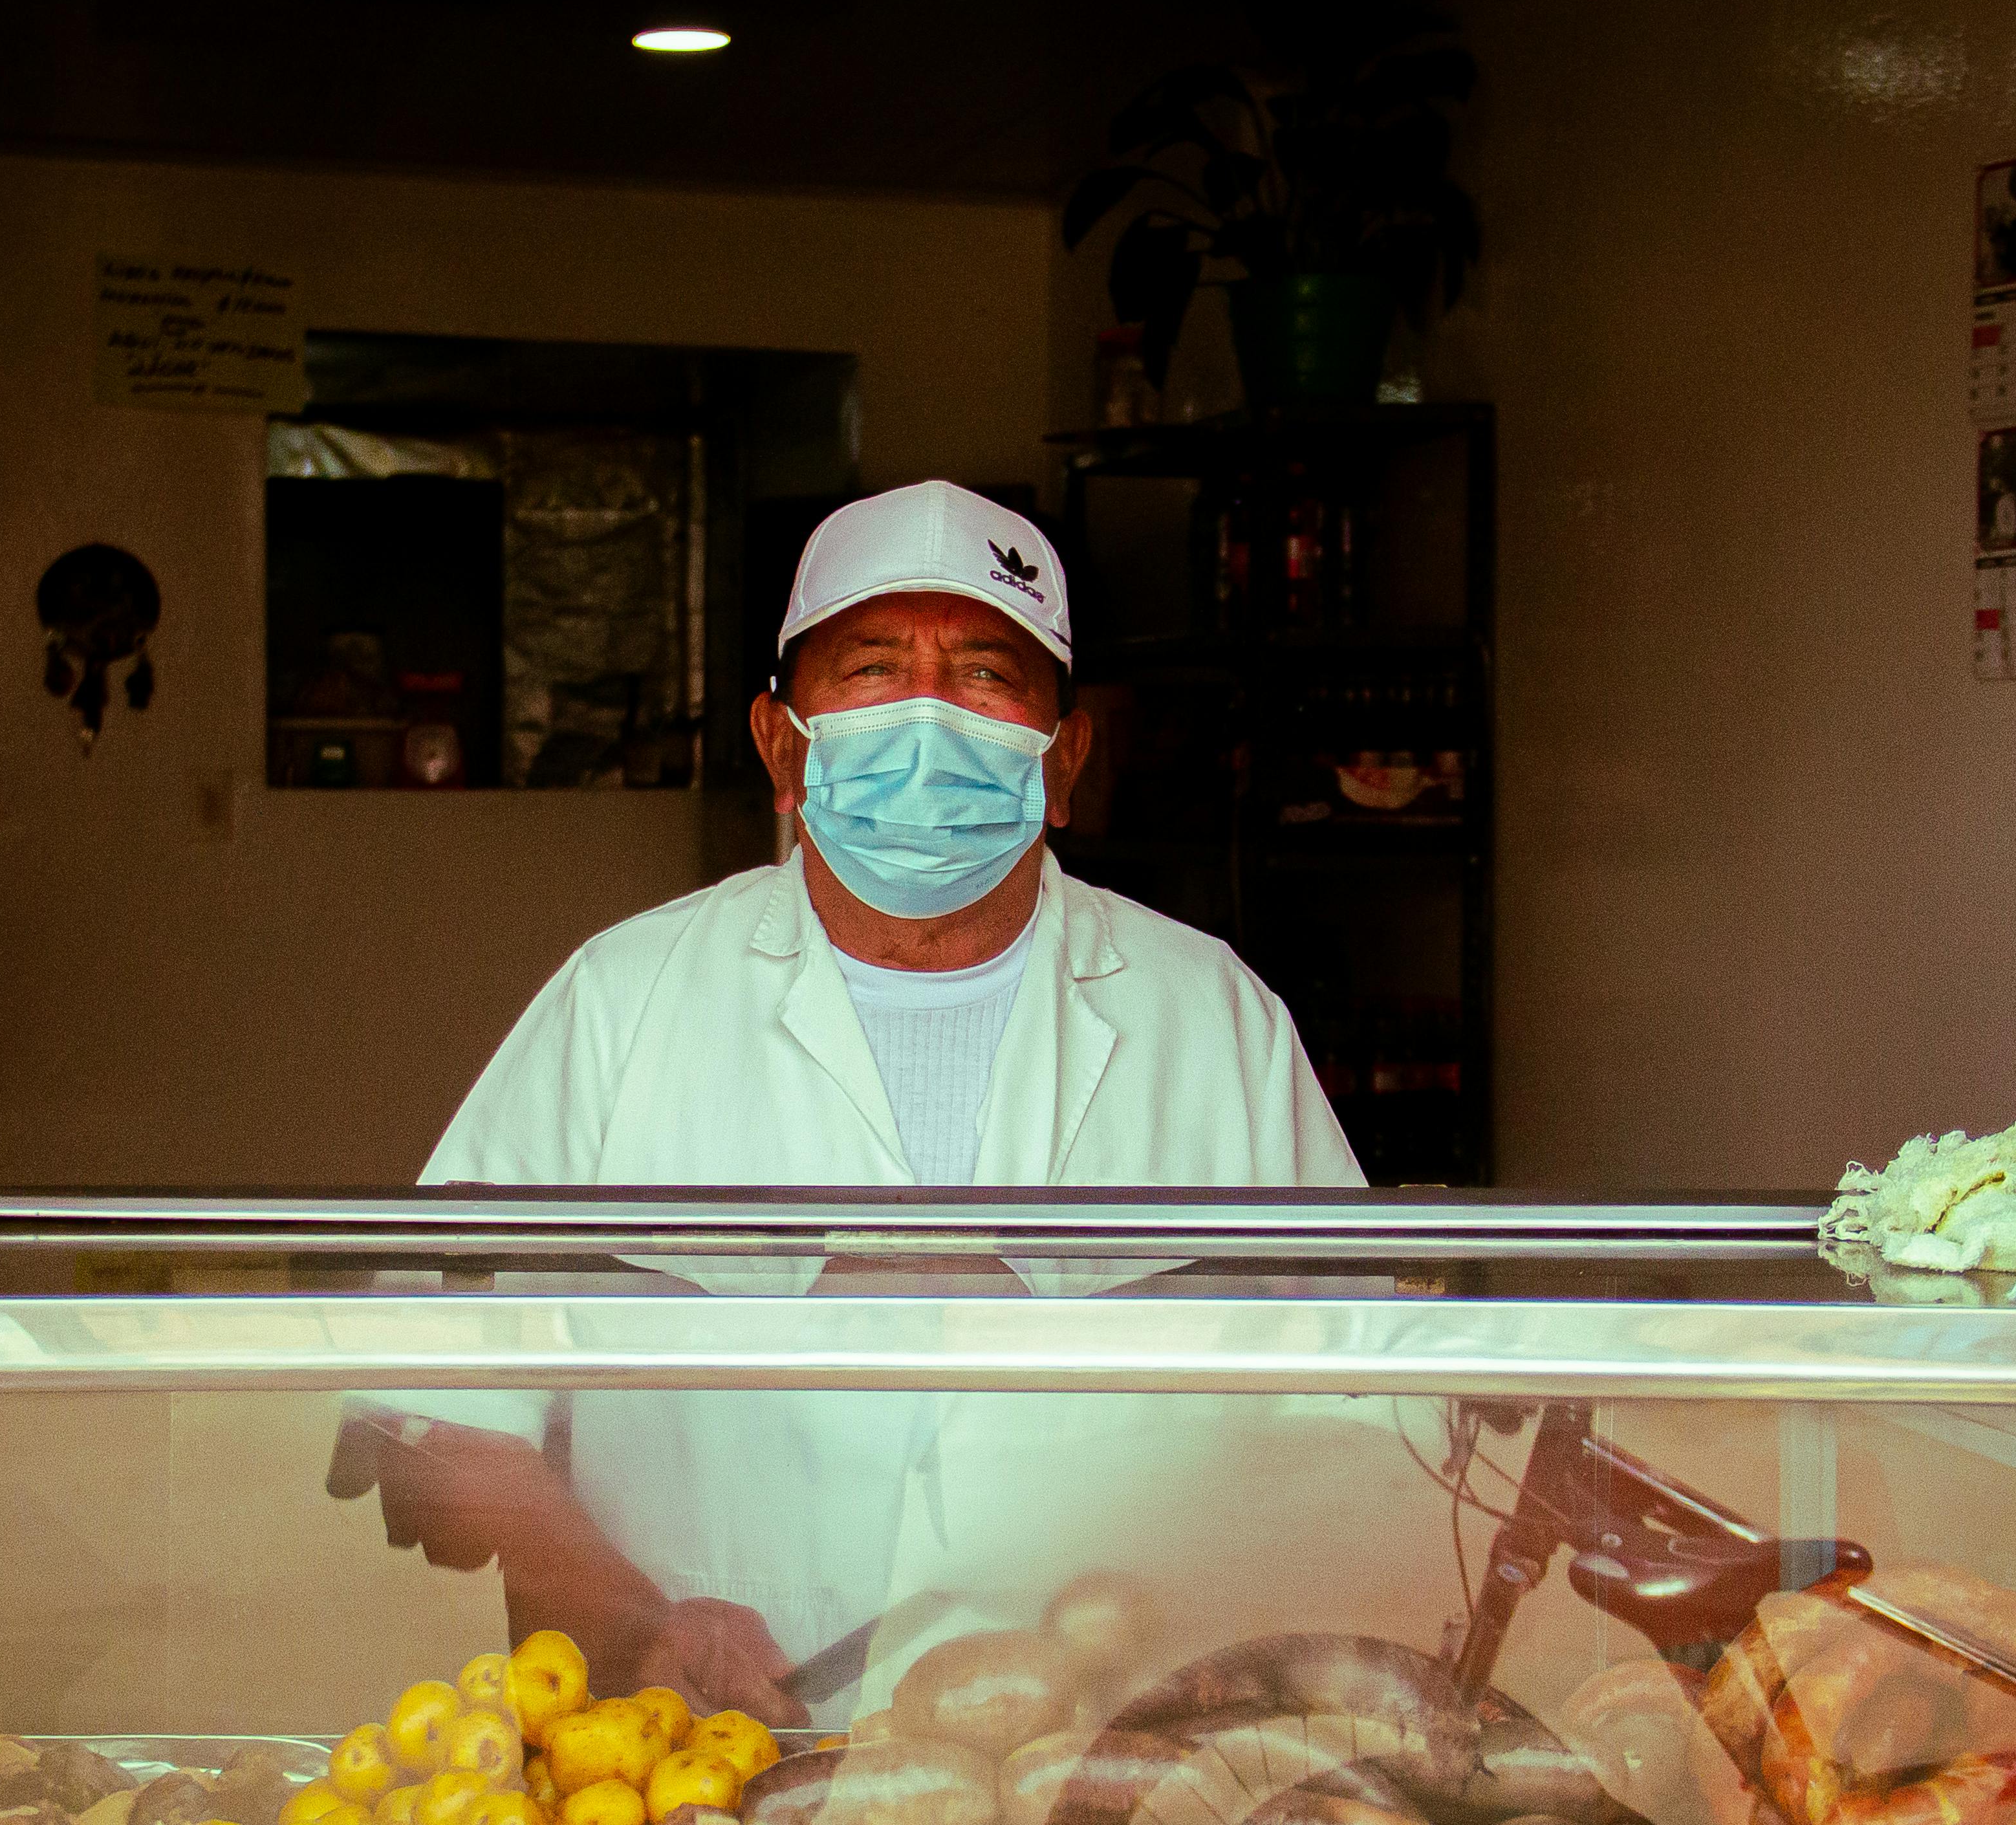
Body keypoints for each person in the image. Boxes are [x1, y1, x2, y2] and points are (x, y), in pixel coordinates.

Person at [330, 481, 1360, 1722]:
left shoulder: (1211, 1019)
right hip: (705, 1757)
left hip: (1100, 1754)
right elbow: (436, 1417)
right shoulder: (626, 998)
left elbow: (1353, 1419)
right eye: (872, 670)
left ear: (1068, 758)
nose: (928, 717)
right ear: (781, 746)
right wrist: (633, 1618)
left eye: (986, 675)